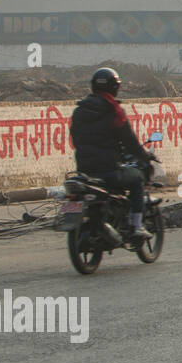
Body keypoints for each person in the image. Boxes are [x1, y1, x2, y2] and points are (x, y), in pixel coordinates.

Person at [69, 67, 156, 242]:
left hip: (84, 170)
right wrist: (144, 156)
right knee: (137, 179)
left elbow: (75, 139)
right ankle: (136, 225)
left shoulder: (78, 111)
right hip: (108, 169)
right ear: (114, 88)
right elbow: (129, 141)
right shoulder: (114, 111)